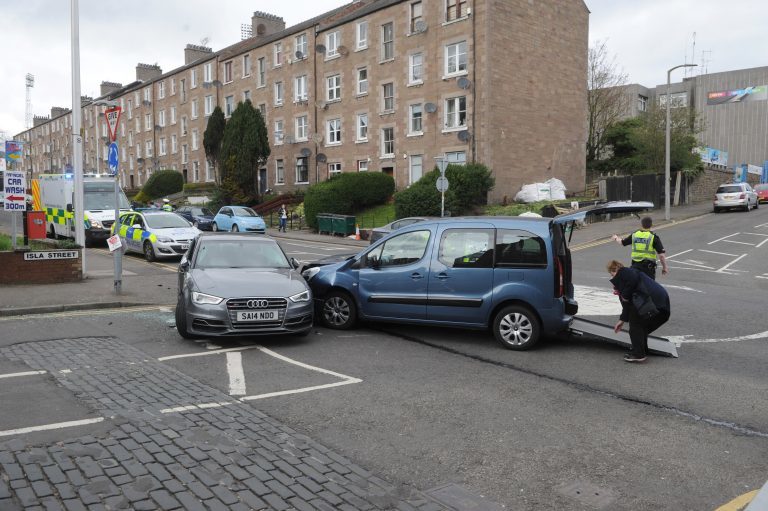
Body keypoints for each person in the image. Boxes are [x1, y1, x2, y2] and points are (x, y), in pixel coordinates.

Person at [607, 260, 671, 363]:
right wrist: (622, 320)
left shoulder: (625, 271)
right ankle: (642, 350)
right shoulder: (628, 280)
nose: (612, 277)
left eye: (612, 273)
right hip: (663, 306)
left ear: (616, 269)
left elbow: (632, 281)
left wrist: (624, 294)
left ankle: (639, 354)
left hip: (656, 302)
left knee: (635, 325)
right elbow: (627, 304)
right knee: (641, 327)